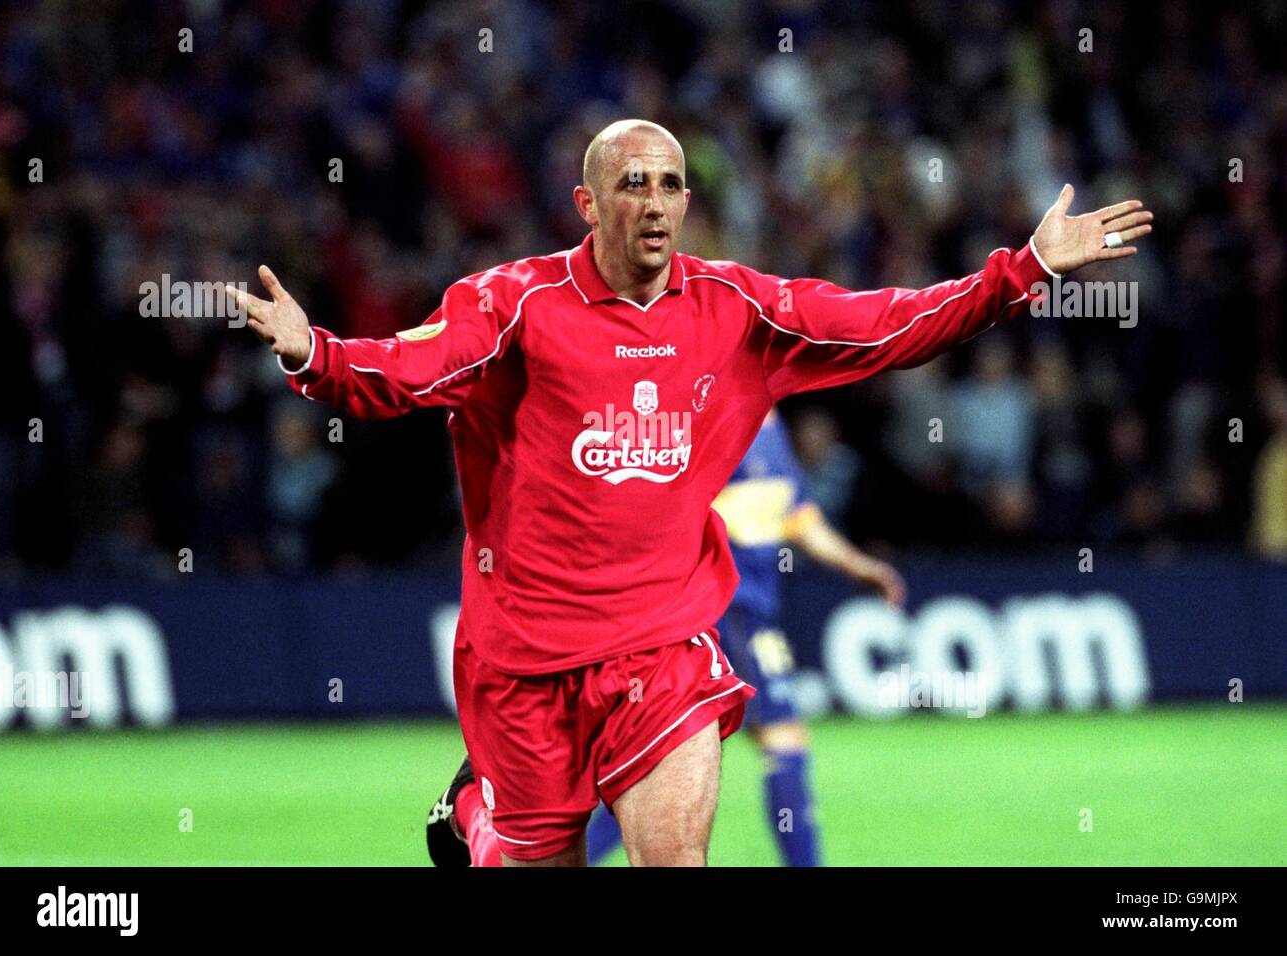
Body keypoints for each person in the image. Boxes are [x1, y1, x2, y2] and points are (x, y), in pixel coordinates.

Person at [231, 119, 1153, 866]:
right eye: (634, 184)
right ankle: (476, 812)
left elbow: (888, 324)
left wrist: (1022, 271)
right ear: (588, 203)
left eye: (673, 184)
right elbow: (417, 367)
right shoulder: (514, 303)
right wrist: (318, 357)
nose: (658, 203)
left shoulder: (737, 311)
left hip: (664, 647)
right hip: (523, 663)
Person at [584, 408, 905, 866]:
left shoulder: (770, 430)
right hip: (721, 612)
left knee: (659, 761)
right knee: (782, 741)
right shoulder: (711, 415)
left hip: (753, 615)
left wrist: (860, 566)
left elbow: (802, 522)